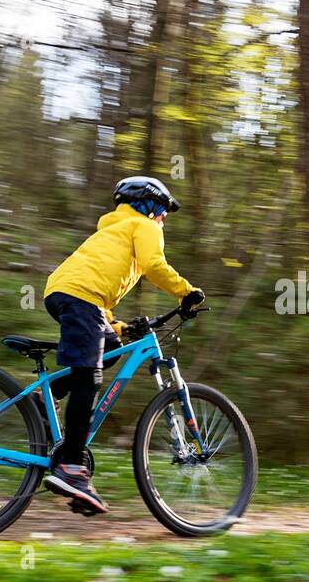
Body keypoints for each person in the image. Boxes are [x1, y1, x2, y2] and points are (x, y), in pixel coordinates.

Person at [42, 175, 205, 514]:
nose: (163, 220)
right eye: (162, 212)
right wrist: (186, 292)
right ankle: (71, 467)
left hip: (68, 294)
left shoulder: (114, 228)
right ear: (150, 205)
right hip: (80, 297)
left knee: (110, 347)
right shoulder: (143, 226)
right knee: (90, 376)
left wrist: (117, 325)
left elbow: (98, 278)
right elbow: (154, 265)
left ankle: (44, 398)